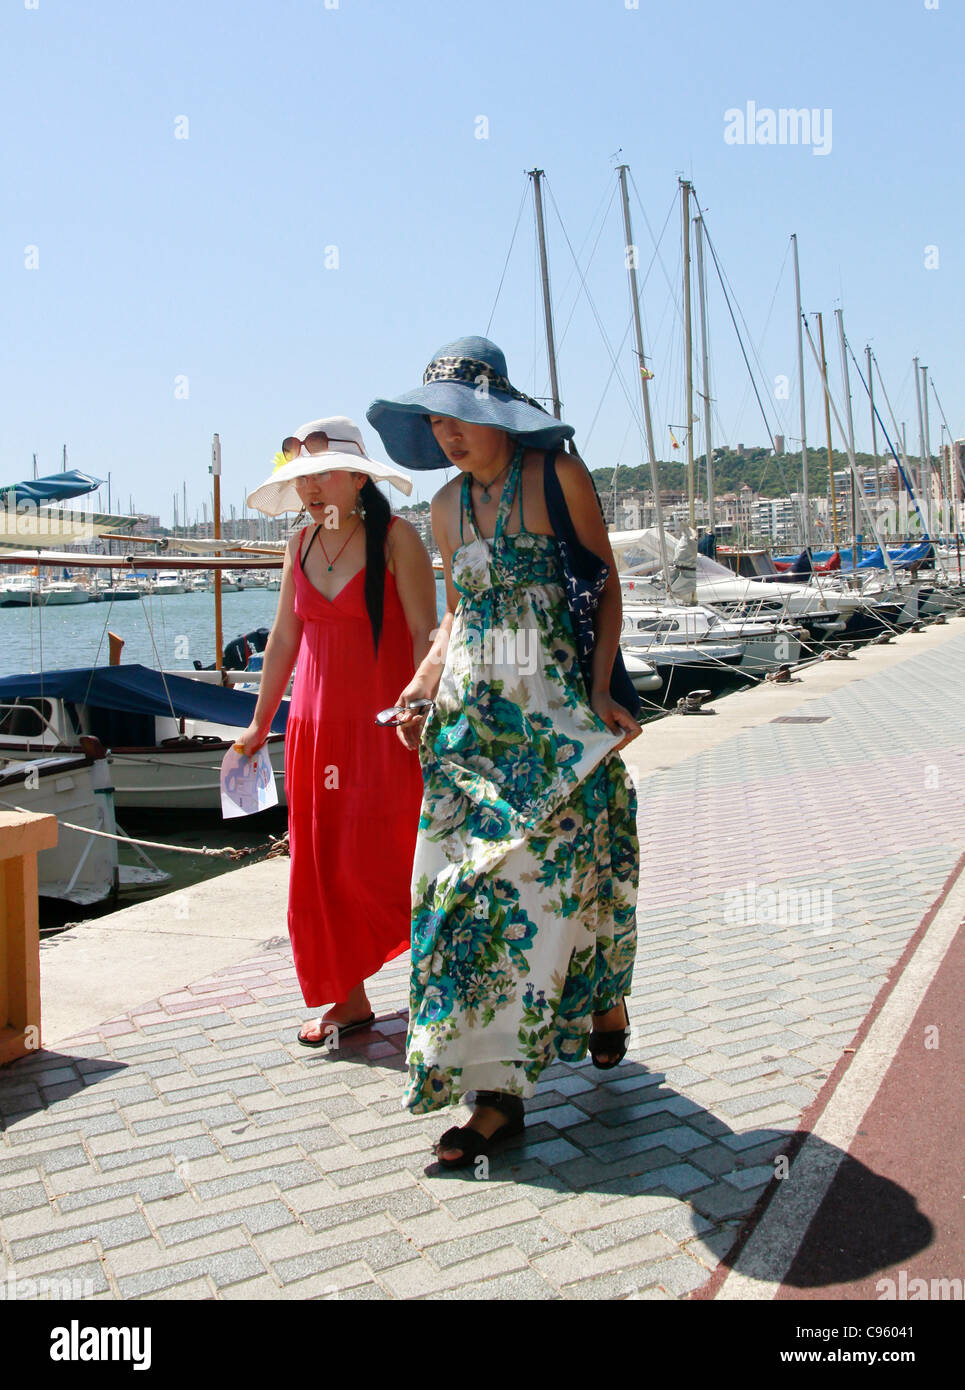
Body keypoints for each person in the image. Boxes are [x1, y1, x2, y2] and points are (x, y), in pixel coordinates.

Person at [367, 337, 641, 1168]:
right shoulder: (443, 508)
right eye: (435, 420)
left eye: (461, 417)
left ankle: (602, 1000)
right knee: (457, 892)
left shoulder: (558, 479)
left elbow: (602, 585)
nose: (447, 433)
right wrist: (419, 690)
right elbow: (456, 619)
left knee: (576, 861)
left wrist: (600, 691)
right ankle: (494, 1095)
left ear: (498, 415)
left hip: (554, 714)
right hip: (470, 724)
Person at [238, 417, 437, 1045]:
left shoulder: (397, 539)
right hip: (313, 730)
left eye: (321, 474)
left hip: (386, 728)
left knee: (393, 853)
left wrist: (423, 711)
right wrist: (257, 723)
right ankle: (346, 999)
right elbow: (283, 640)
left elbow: (426, 634)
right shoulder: (297, 546)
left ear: (357, 477)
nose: (311, 489)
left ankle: (438, 979)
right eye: (300, 478)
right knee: (321, 866)